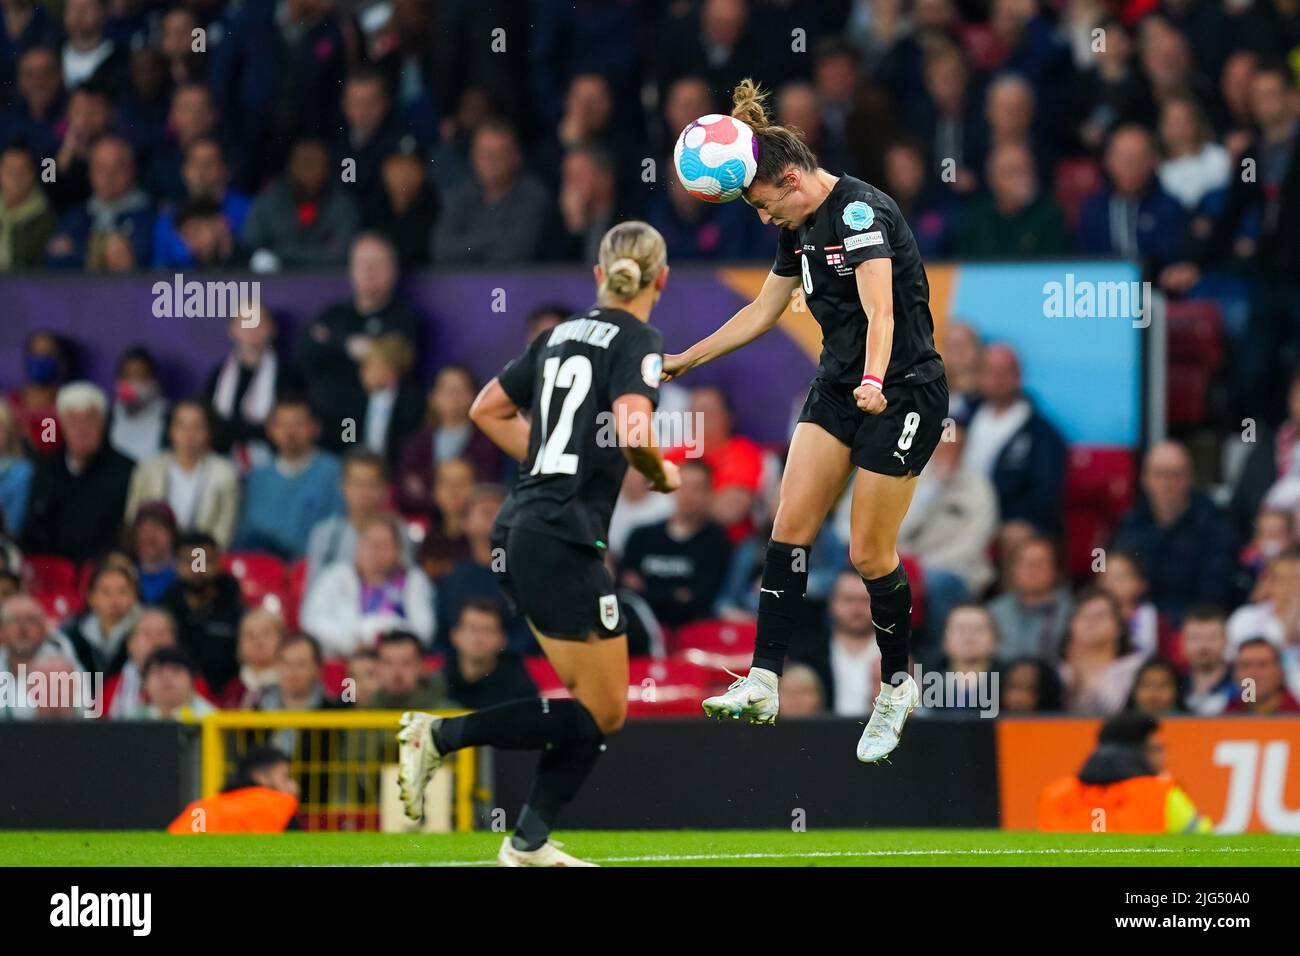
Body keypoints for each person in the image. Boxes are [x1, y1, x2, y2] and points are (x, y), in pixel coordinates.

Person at [662, 80, 948, 763]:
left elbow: (883, 313)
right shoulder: (799, 225)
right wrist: (685, 360)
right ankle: (763, 678)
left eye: (761, 205)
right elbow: (762, 313)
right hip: (839, 386)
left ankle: (898, 685)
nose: (761, 219)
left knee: (868, 554)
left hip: (903, 392)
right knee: (788, 524)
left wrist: (877, 381)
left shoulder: (860, 216)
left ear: (789, 179)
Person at [397, 220, 680, 867]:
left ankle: (526, 840)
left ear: (598, 276)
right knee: (606, 712)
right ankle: (440, 736)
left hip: (523, 525)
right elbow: (636, 427)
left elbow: (485, 409)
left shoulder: (557, 336)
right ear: (661, 279)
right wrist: (660, 471)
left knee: (597, 710)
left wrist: (555, 462)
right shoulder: (639, 337)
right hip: (558, 534)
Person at [1038, 712, 1212, 833]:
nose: (1162, 756)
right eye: (1155, 749)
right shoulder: (1163, 796)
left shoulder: (1055, 796)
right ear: (1135, 752)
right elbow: (1206, 848)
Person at [22, 381, 134, 563]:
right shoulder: (46, 468)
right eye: (73, 419)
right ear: (62, 425)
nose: (81, 428)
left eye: (90, 418)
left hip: (101, 570)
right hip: (53, 570)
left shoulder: (126, 470)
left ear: (103, 423)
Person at [299, 514, 435, 656]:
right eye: (369, 543)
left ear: (397, 551)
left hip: (396, 660)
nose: (375, 550)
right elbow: (312, 620)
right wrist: (353, 643)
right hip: (345, 657)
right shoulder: (336, 577)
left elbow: (424, 631)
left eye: (383, 545)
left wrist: (384, 639)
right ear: (358, 546)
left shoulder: (413, 580)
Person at [620, 459, 732, 627]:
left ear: (709, 494)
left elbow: (700, 600)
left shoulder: (716, 543)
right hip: (640, 629)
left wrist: (646, 590)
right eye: (682, 485)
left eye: (696, 488)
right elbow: (626, 592)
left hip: (693, 634)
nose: (687, 495)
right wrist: (675, 595)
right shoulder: (641, 536)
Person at [232, 397, 344, 561]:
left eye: (298, 424)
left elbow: (337, 529)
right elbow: (244, 532)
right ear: (270, 430)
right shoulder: (257, 477)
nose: (290, 432)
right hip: (261, 569)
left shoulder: (335, 473)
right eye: (282, 425)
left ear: (315, 428)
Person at [124, 399, 240, 548]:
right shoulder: (148, 469)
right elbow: (132, 519)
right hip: (154, 551)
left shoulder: (226, 474)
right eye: (182, 426)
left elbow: (224, 530)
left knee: (198, 567)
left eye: (198, 426)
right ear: (171, 430)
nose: (189, 434)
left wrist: (203, 556)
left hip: (201, 551)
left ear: (210, 432)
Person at [396, 365, 502, 513]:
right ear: (432, 397)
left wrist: (427, 492)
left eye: (460, 390)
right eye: (446, 389)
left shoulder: (489, 443)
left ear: (475, 396)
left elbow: (486, 489)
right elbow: (405, 491)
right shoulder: (415, 443)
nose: (453, 396)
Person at [204, 306, 302, 462]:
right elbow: (210, 420)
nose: (252, 329)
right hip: (221, 459)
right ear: (232, 330)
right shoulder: (218, 374)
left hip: (272, 460)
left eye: (259, 323)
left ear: (272, 329)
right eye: (245, 323)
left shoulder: (288, 375)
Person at [304, 450, 412, 587]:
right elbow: (313, 593)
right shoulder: (324, 534)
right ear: (343, 487)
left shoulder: (399, 532)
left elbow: (408, 586)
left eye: (371, 484)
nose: (363, 492)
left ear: (385, 489)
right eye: (356, 483)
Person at [158, 531, 244, 694]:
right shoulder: (163, 611)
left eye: (203, 561)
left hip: (225, 701)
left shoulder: (237, 613)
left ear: (218, 563)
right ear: (177, 565)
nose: (197, 569)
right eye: (190, 562)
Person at [167, 745, 299, 834]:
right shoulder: (279, 805)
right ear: (261, 777)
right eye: (286, 777)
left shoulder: (202, 808)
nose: (294, 787)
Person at [1058, 588, 1146, 715]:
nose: (1090, 622)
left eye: (1100, 616)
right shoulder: (1060, 672)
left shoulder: (1137, 668)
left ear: (1119, 626)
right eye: (1082, 615)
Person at [442, 598, 537, 710]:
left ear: (502, 639)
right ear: (455, 635)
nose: (479, 639)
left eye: (488, 630)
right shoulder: (437, 683)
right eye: (472, 629)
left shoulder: (521, 689)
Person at [103, 607, 178, 719]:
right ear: (130, 644)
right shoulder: (112, 688)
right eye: (147, 634)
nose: (155, 642)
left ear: (174, 642)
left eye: (161, 634)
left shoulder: (192, 684)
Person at [107, 346, 168, 463]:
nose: (132, 384)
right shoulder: (108, 417)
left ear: (153, 382)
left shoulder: (168, 417)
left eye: (140, 376)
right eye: (126, 376)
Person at [218, 607, 286, 708]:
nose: (258, 641)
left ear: (282, 639)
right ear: (240, 643)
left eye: (266, 633)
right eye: (250, 635)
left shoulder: (290, 686)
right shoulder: (231, 689)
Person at [371, 630, 451, 710]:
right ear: (377, 667)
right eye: (388, 663)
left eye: (406, 662)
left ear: (420, 665)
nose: (397, 672)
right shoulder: (364, 710)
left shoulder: (446, 714)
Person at [132, 646, 217, 721]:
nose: (167, 678)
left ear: (193, 682)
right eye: (158, 672)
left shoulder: (211, 719)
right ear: (145, 683)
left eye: (176, 671)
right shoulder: (131, 721)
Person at [1180, 604, 1234, 715]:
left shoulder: (1243, 682)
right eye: (1195, 638)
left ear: (1226, 640)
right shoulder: (1174, 683)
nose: (1203, 646)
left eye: (1212, 638)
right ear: (1183, 642)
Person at [1225, 638, 1300, 714]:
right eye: (1246, 665)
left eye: (1262, 665)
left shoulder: (1295, 714)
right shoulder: (1227, 714)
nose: (1254, 674)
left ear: (1279, 671)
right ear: (1235, 673)